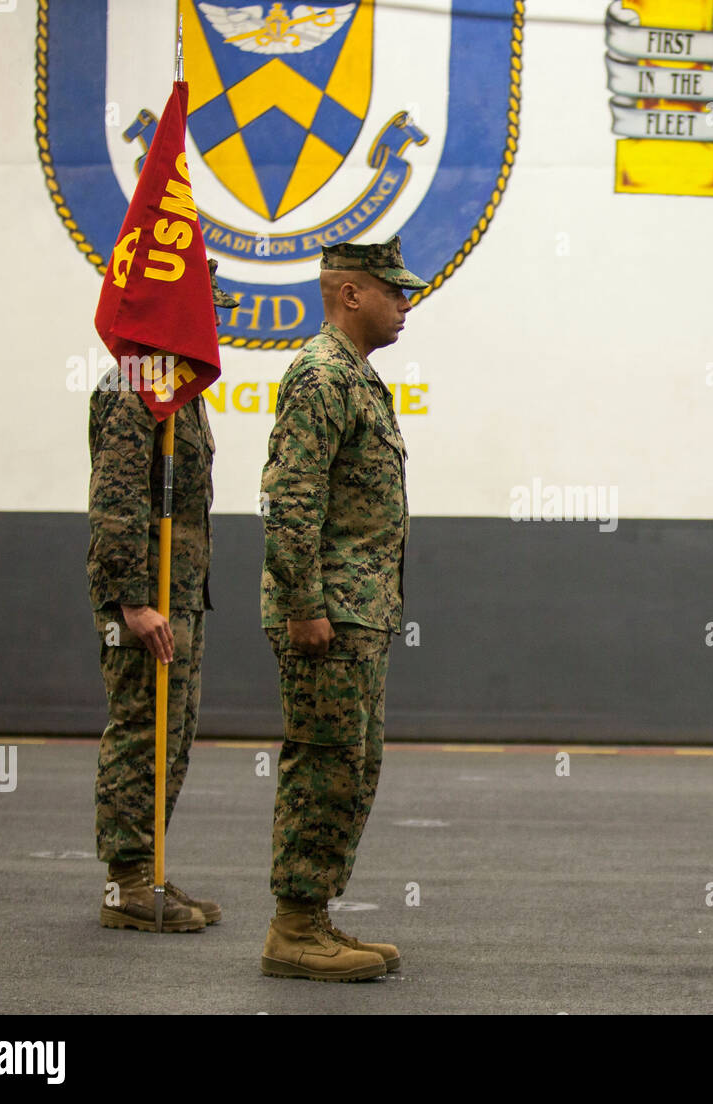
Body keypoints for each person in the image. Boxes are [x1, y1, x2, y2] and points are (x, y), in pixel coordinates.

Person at [258, 235, 426, 981]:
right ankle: (292, 929)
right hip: (329, 611)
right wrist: (303, 605)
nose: (405, 304)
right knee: (323, 765)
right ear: (349, 293)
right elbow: (293, 499)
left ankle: (316, 915)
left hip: (360, 610)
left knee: (353, 767)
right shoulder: (322, 376)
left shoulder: (354, 377)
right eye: (393, 291)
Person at [87, 258, 237, 932]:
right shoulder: (136, 386)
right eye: (208, 305)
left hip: (179, 595)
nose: (218, 319)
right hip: (145, 602)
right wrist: (132, 600)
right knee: (140, 732)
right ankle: (125, 885)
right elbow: (116, 503)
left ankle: (149, 868)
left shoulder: (178, 388)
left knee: (170, 736)